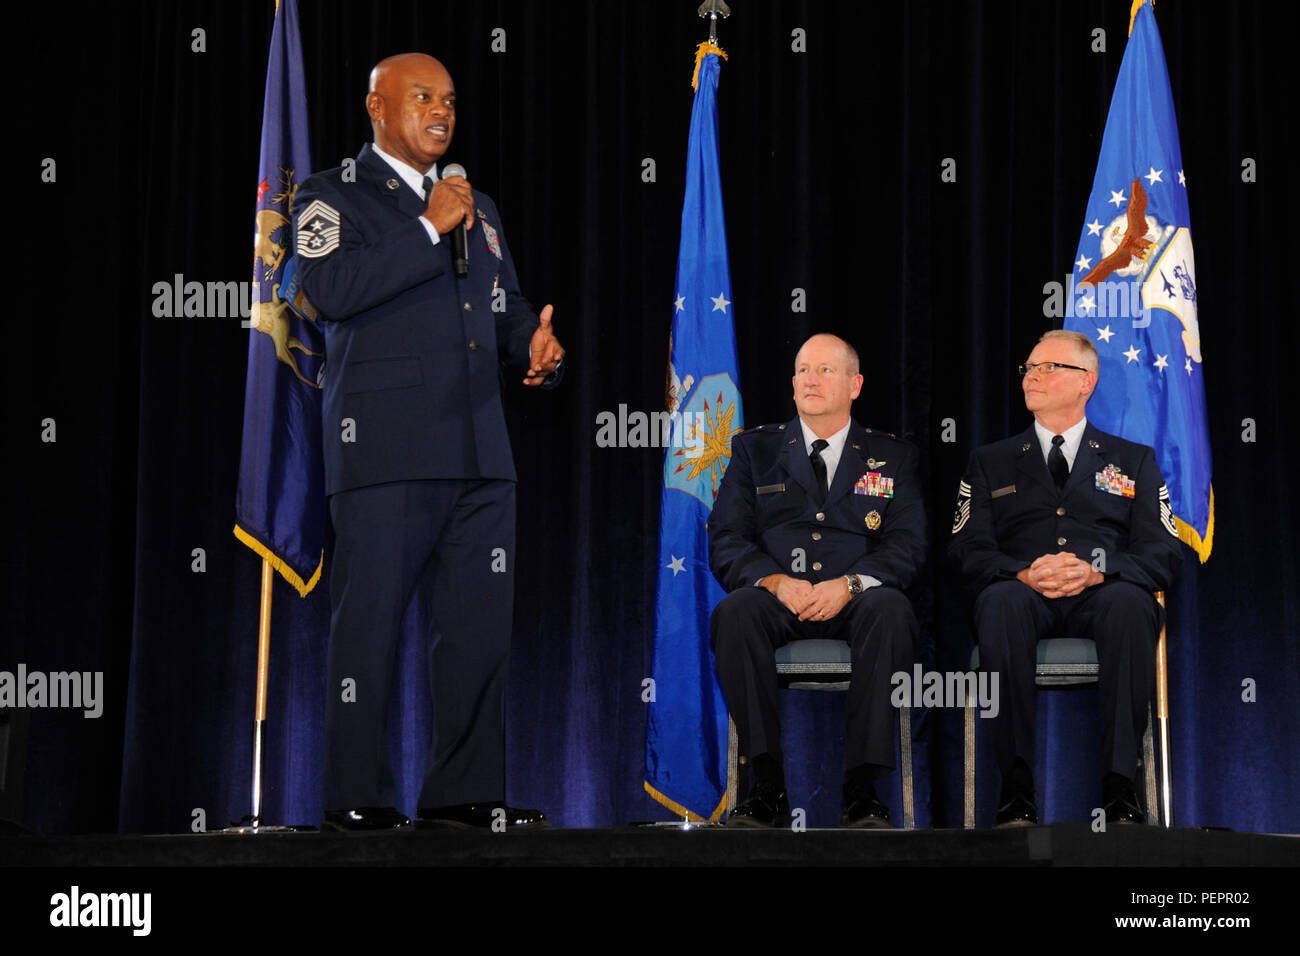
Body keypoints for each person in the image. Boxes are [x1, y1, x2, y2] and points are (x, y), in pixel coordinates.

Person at [293, 53, 564, 831]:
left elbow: (506, 308)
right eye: (423, 97)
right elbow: (329, 292)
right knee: (367, 632)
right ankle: (357, 798)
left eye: (449, 100)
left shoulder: (478, 205)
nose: (441, 111)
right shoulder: (327, 195)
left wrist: (535, 353)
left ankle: (464, 793)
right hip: (382, 450)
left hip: (481, 452)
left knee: (477, 635)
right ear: (376, 105)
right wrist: (424, 226)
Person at [949, 329, 1181, 827]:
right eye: (1029, 369)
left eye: (1048, 368)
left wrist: (1100, 573)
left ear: (1086, 382)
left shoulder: (1132, 460)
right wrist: (1022, 572)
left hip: (1103, 593)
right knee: (999, 604)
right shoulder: (989, 461)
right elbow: (966, 549)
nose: (1033, 377)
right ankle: (1016, 791)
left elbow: (1163, 550)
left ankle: (1121, 789)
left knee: (1132, 605)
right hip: (1023, 593)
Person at [707, 334, 926, 828]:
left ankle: (862, 790)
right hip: (780, 599)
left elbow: (909, 545)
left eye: (826, 370)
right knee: (735, 612)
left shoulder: (893, 457)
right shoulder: (753, 449)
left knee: (892, 610)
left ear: (856, 385)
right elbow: (727, 537)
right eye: (803, 369)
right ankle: (766, 786)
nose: (810, 379)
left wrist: (850, 585)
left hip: (857, 601)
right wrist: (775, 582)